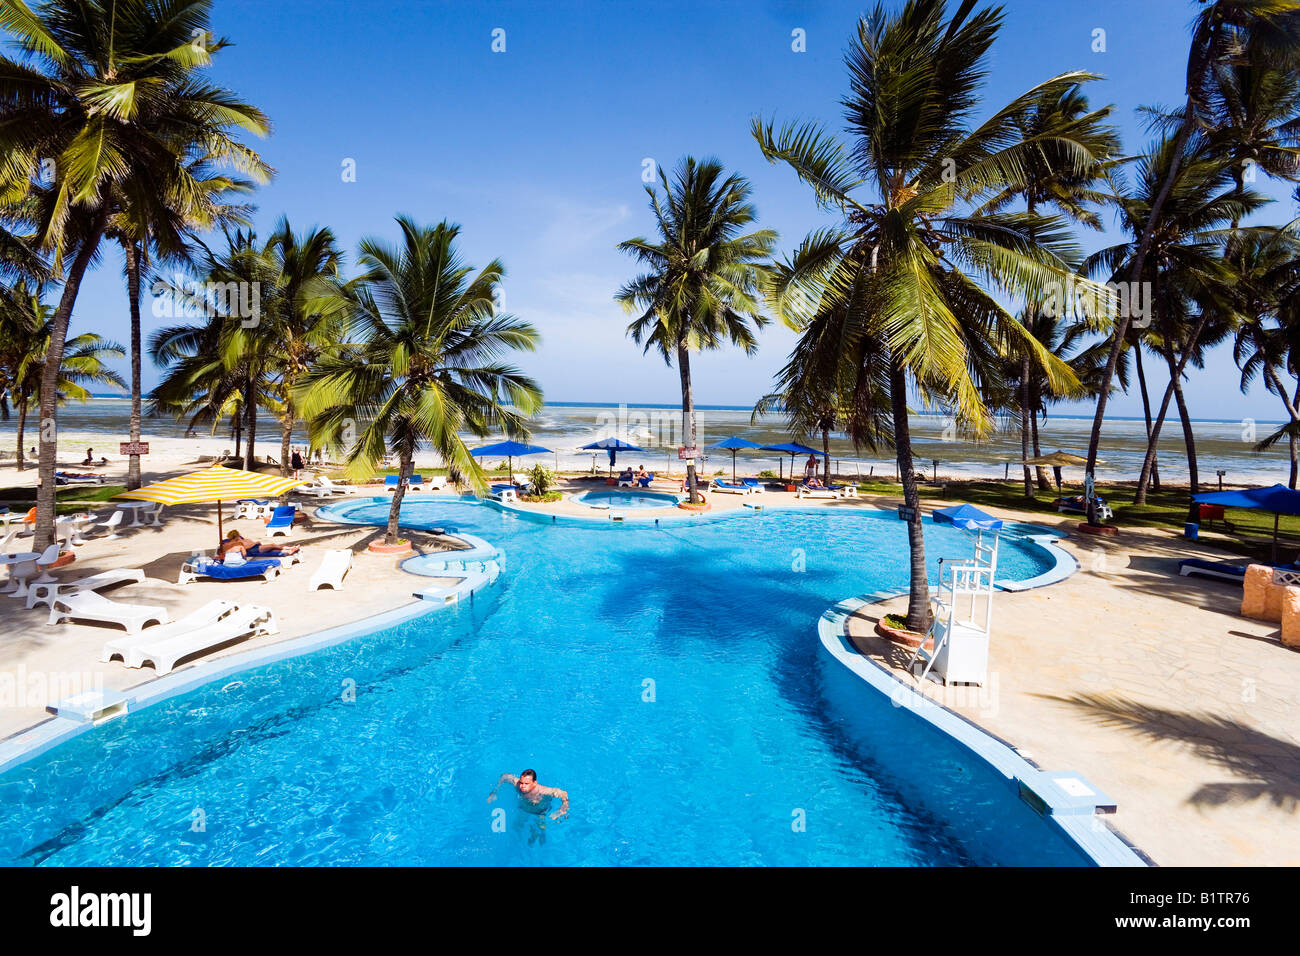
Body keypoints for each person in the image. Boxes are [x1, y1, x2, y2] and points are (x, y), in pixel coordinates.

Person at [487, 769, 569, 843]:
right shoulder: (517, 783)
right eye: (521, 782)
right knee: (516, 827)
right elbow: (504, 776)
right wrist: (494, 792)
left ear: (534, 783)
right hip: (524, 809)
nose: (522, 786)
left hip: (540, 812)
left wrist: (562, 809)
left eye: (526, 783)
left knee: (539, 830)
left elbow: (563, 793)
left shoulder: (543, 791)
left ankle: (540, 839)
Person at [217, 529, 300, 562]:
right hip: (254, 549)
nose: (239, 535)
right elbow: (244, 548)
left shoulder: (242, 539)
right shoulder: (236, 542)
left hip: (256, 547)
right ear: (234, 536)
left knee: (274, 550)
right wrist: (255, 543)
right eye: (237, 535)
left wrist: (256, 543)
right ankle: (290, 548)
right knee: (272, 545)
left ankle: (289, 551)